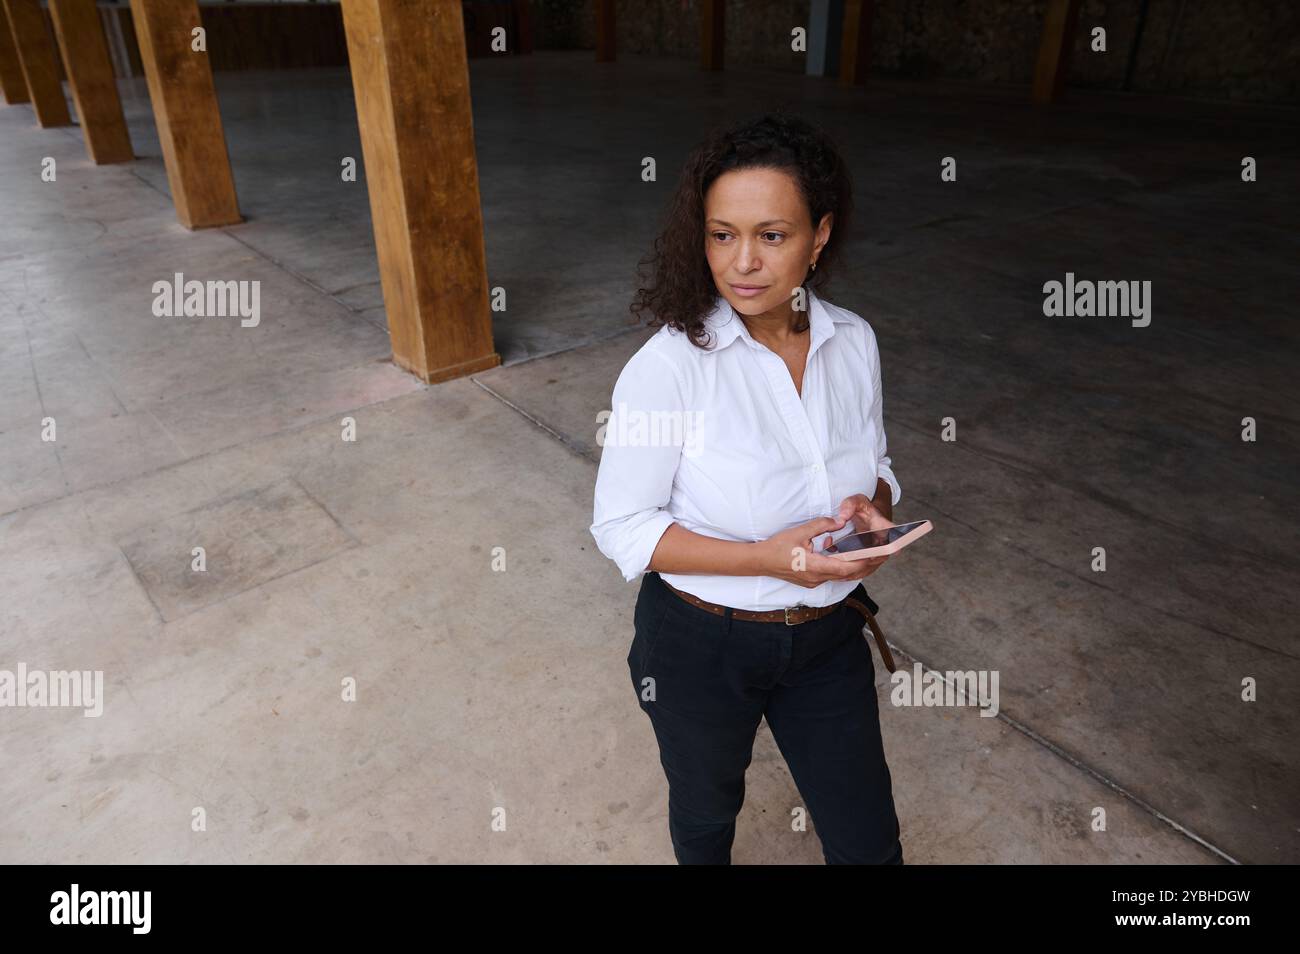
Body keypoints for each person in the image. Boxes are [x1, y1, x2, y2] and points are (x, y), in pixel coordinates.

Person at [590, 111, 904, 865]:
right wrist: (768, 558)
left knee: (868, 838)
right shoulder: (670, 367)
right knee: (705, 815)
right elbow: (623, 527)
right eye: (722, 234)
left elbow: (880, 462)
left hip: (828, 637)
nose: (742, 263)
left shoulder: (852, 342)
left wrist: (875, 510)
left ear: (819, 235)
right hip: (701, 643)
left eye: (772, 235)